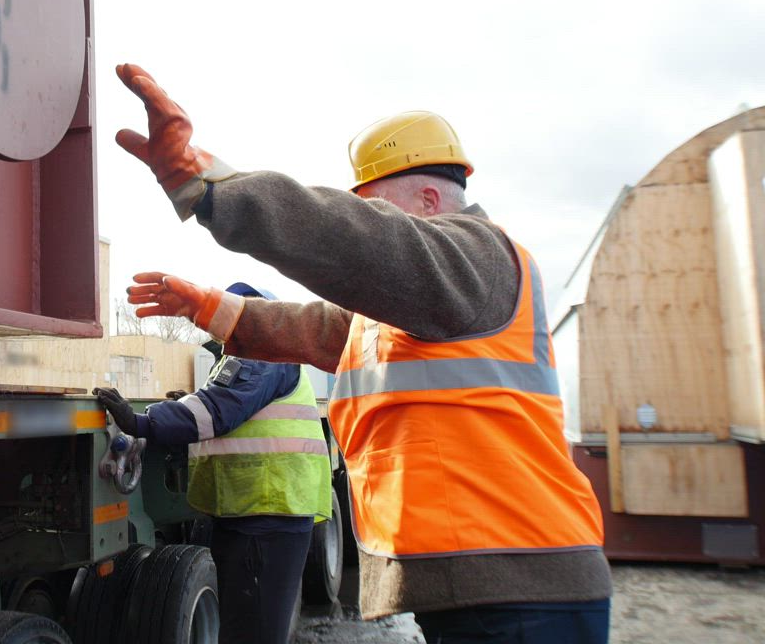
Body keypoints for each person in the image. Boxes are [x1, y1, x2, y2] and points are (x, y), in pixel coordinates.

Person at [114, 63, 611, 644]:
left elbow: (357, 241)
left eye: (376, 206)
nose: (371, 221)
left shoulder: (479, 258)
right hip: (489, 577)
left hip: (523, 581)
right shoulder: (423, 302)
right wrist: (211, 307)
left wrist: (206, 184)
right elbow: (323, 330)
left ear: (429, 199)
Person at [94, 283, 331, 644]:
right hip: (260, 513)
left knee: (252, 633)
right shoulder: (258, 357)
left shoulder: (264, 353)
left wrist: (142, 422)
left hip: (264, 516)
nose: (221, 323)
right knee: (246, 629)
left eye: (232, 313)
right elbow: (220, 406)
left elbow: (218, 409)